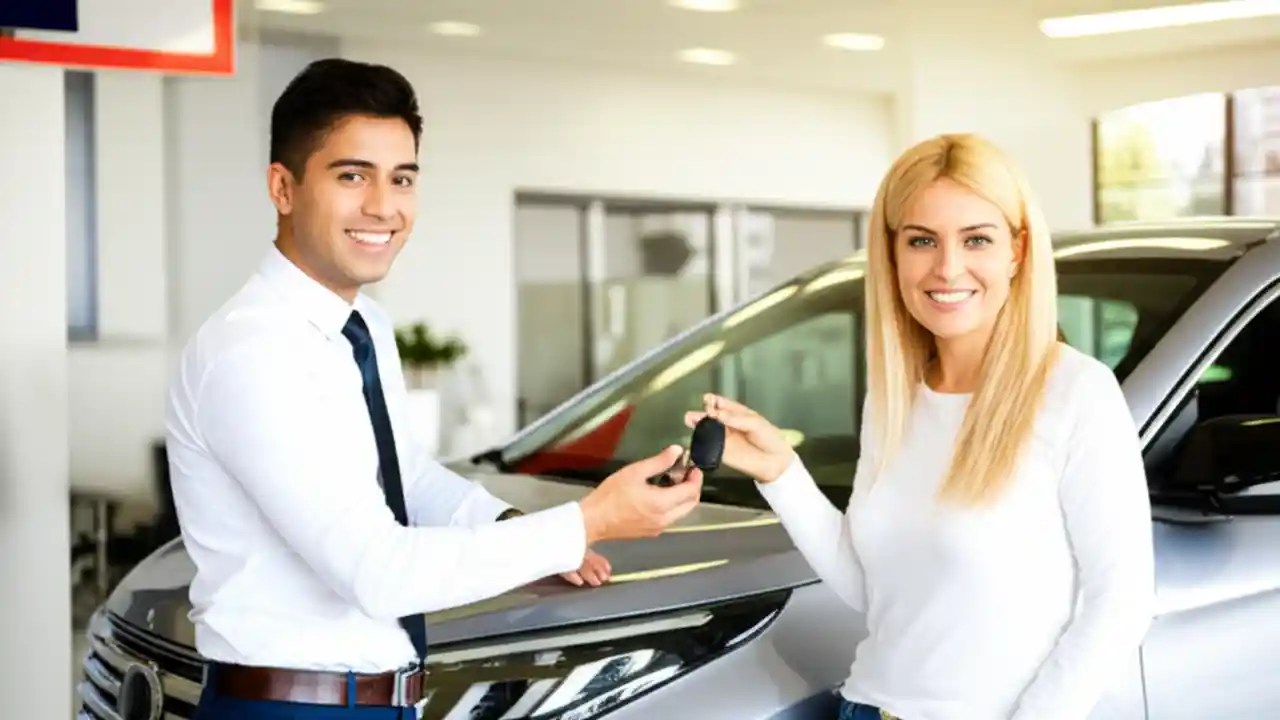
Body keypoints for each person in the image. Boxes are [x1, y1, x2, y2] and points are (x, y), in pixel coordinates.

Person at [166, 58, 703, 720]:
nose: (383, 207)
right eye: (352, 176)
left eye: (403, 179)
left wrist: (521, 534)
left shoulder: (363, 326)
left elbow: (409, 481)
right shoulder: (254, 352)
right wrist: (587, 520)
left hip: (382, 702)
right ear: (282, 186)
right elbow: (377, 569)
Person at [686, 134, 1154, 720]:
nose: (947, 268)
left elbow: (1121, 604)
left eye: (976, 239)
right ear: (892, 254)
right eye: (922, 241)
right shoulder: (895, 398)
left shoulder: (1075, 393)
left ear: (1018, 249)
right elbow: (872, 590)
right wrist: (782, 473)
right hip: (866, 709)